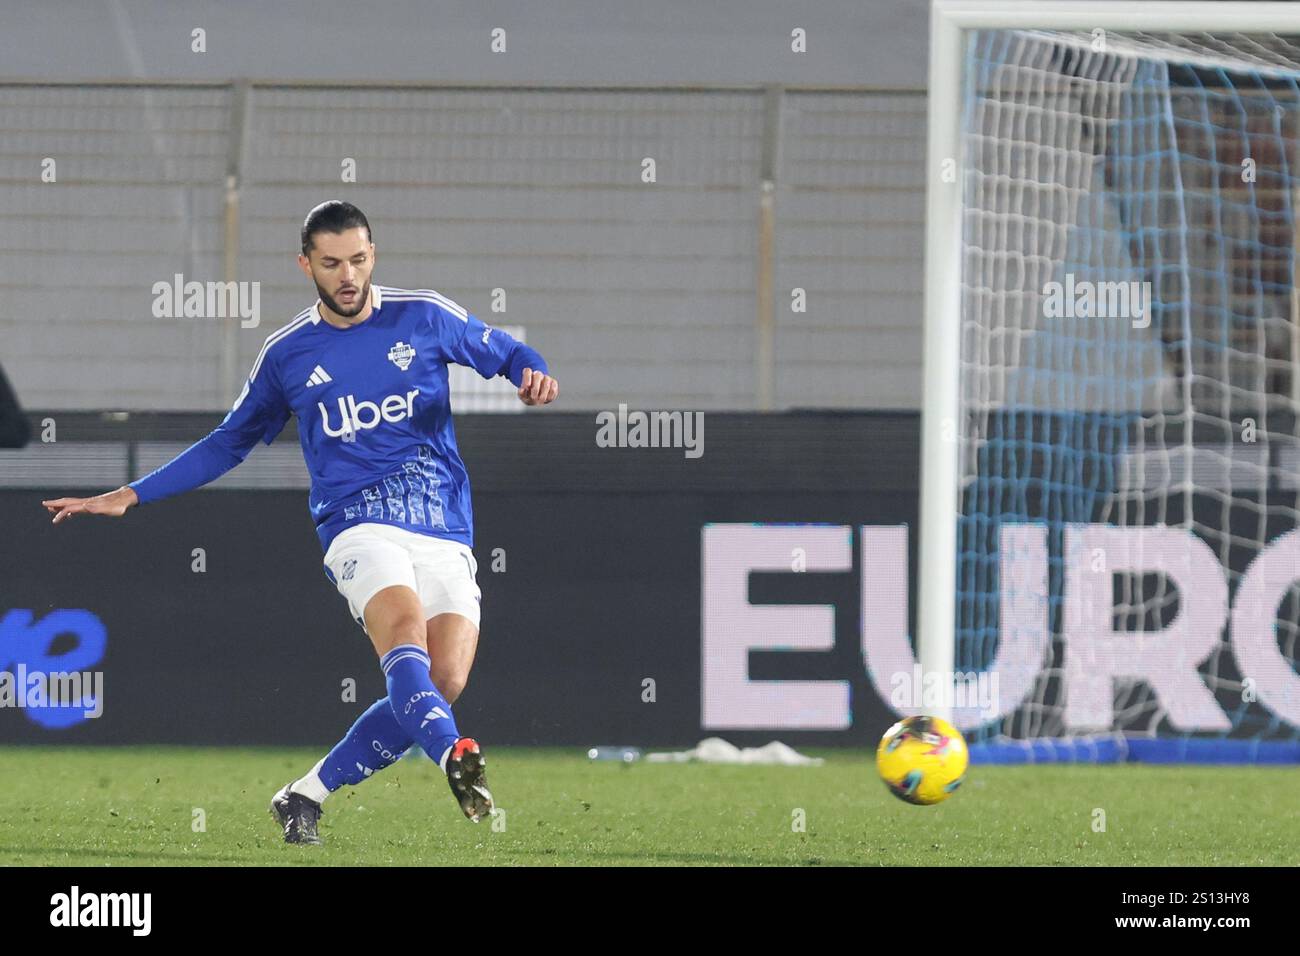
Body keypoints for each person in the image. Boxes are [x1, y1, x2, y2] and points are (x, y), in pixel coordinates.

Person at [42, 200, 558, 845]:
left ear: (373, 255)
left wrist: (530, 373)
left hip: (443, 526)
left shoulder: (424, 315)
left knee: (443, 681)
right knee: (405, 639)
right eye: (332, 263)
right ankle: (454, 753)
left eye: (359, 260)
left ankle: (304, 795)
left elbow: (508, 351)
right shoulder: (288, 353)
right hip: (357, 524)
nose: (348, 275)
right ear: (306, 264)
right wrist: (133, 494)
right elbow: (228, 441)